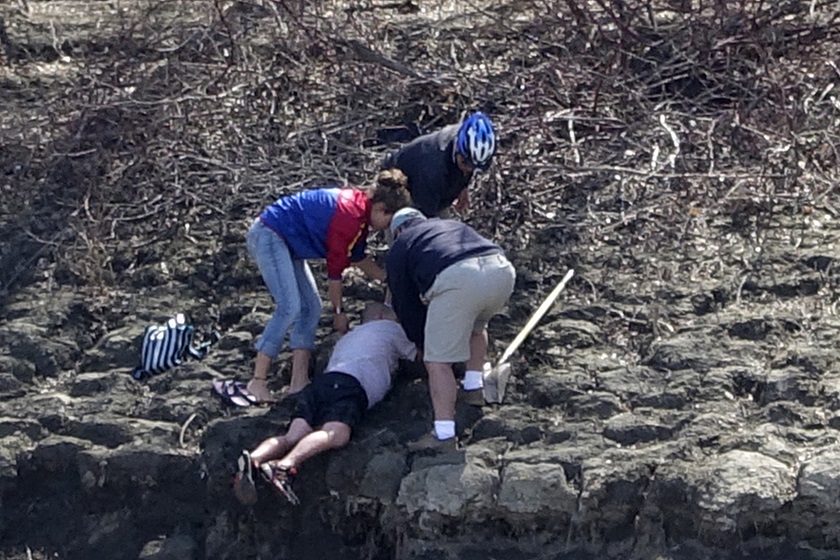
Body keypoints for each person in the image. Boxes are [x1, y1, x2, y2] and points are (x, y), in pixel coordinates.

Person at [245, 169, 412, 402]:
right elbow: (334, 273)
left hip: (290, 244)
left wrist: (390, 279)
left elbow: (358, 257)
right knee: (289, 306)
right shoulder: (350, 216)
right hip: (270, 234)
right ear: (382, 209)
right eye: (388, 222)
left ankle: (298, 381)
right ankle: (258, 381)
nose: (385, 229)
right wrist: (338, 313)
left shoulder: (362, 216)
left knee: (311, 306)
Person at [233, 302, 418, 505]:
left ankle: (254, 459)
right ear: (381, 315)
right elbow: (418, 356)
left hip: (322, 384)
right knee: (336, 433)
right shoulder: (389, 328)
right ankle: (284, 467)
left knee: (292, 435)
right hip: (351, 385)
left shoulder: (347, 338)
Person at [385, 207, 515, 452]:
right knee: (477, 326)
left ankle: (444, 434)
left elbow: (405, 304)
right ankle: (473, 387)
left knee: (438, 362)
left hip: (459, 277)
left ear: (398, 230)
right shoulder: (449, 225)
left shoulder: (401, 244)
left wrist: (422, 344)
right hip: (500, 269)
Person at [380, 111, 496, 218]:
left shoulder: (464, 141)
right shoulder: (433, 168)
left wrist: (462, 187)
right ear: (458, 149)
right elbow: (427, 220)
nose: (468, 169)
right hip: (399, 191)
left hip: (433, 189)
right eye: (466, 163)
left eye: (475, 168)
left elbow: (465, 165)